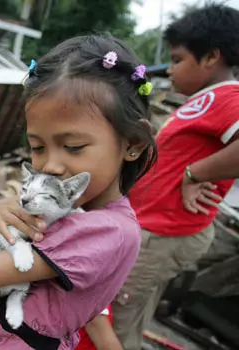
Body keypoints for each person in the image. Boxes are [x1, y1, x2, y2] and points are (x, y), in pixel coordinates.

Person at [0, 34, 157, 350]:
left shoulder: (104, 230)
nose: (51, 165)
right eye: (37, 147)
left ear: (133, 144)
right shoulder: (77, 214)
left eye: (73, 147)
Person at [111, 4, 239, 350]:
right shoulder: (203, 101)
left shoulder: (229, 98)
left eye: (178, 60)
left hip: (162, 234)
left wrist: (195, 172)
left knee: (114, 321)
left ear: (212, 57)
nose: (170, 69)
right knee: (131, 314)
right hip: (157, 230)